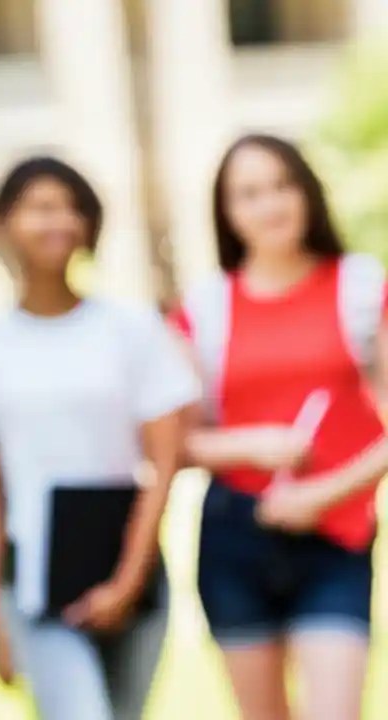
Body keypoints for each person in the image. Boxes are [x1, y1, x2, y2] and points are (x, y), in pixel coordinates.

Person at [0, 158, 197, 720]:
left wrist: (128, 581)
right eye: (39, 207)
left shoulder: (131, 329)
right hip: (34, 579)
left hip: (129, 566)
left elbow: (165, 464)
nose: (56, 221)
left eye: (71, 207)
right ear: (5, 221)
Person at [172, 134, 387, 720]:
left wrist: (326, 492)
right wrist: (252, 444)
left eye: (280, 186)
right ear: (227, 212)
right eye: (248, 193)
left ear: (307, 192)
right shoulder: (206, 307)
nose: (269, 205)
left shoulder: (361, 287)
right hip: (234, 533)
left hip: (336, 535)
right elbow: (178, 442)